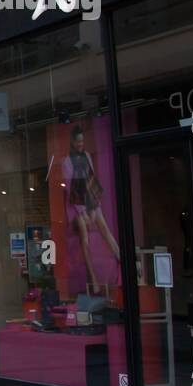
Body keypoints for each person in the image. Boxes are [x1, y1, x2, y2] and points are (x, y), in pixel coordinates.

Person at [61, 125, 121, 293]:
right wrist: (83, 212)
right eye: (78, 141)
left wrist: (95, 207)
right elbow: (71, 190)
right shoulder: (67, 162)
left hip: (90, 201)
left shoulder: (87, 156)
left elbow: (92, 182)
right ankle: (93, 279)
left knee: (105, 229)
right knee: (85, 240)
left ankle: (123, 260)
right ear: (73, 142)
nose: (81, 143)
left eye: (82, 140)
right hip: (77, 206)